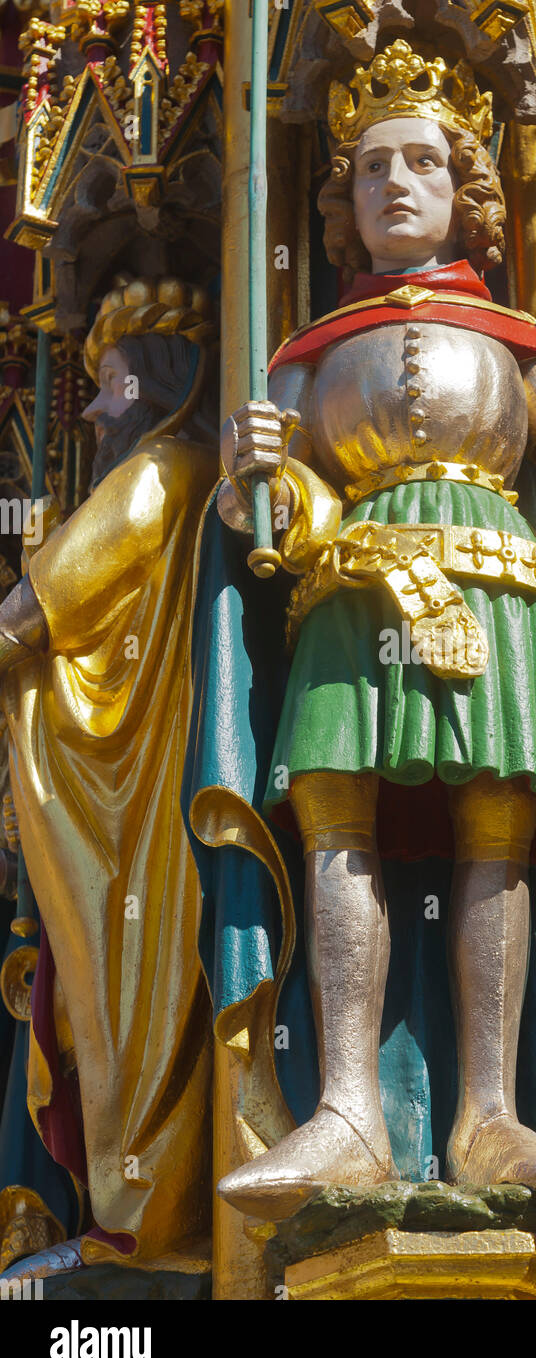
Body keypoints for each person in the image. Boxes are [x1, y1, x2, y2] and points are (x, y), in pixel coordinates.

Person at [193, 41, 536, 1222]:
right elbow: (271, 523)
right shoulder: (304, 356)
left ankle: (488, 1112)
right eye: (367, 170)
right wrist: (251, 479)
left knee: (495, 828)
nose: (394, 185)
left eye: (420, 164)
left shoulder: (520, 343)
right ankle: (348, 1106)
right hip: (352, 596)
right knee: (336, 817)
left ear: (465, 191)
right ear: (341, 204)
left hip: (498, 588)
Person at [0, 279, 215, 1268]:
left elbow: (31, 613)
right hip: (137, 782)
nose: (90, 408)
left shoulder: (154, 475)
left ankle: (141, 1218)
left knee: (131, 1000)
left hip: (131, 802)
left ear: (160, 384)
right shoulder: (193, 468)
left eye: (112, 382)